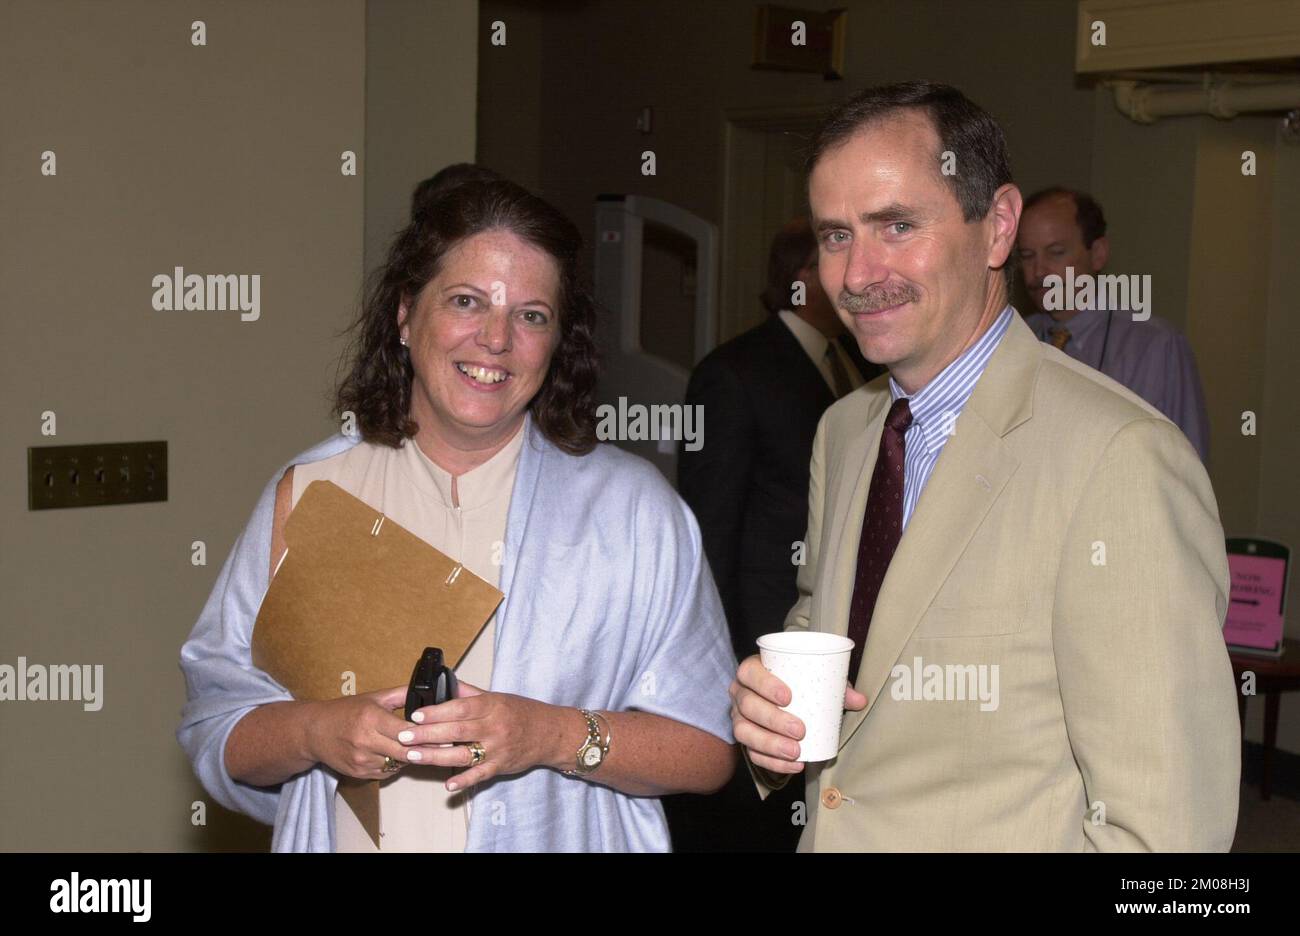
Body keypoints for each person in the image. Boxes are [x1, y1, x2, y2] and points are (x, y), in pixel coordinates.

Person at [729, 81, 1240, 851]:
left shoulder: (1120, 458)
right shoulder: (846, 431)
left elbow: (1168, 837)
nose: (859, 274)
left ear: (998, 226)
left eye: (896, 225)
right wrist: (774, 719)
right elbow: (835, 633)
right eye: (836, 236)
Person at [178, 177, 738, 852]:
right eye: (467, 302)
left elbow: (708, 748)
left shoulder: (632, 511)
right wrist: (316, 732)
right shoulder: (315, 493)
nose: (496, 339)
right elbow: (217, 723)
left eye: (532, 315)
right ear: (406, 314)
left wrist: (551, 735)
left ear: (559, 340)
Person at [664, 218, 881, 852]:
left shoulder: (850, 367)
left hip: (820, 640)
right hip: (755, 650)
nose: (856, 274)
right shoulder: (732, 373)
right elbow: (708, 533)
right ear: (802, 277)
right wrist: (721, 663)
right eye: (836, 250)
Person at [1017, 186, 1211, 463]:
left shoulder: (1157, 346)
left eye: (1055, 252)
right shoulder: (1016, 338)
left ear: (1097, 253)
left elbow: (1186, 467)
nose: (1038, 272)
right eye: (1026, 256)